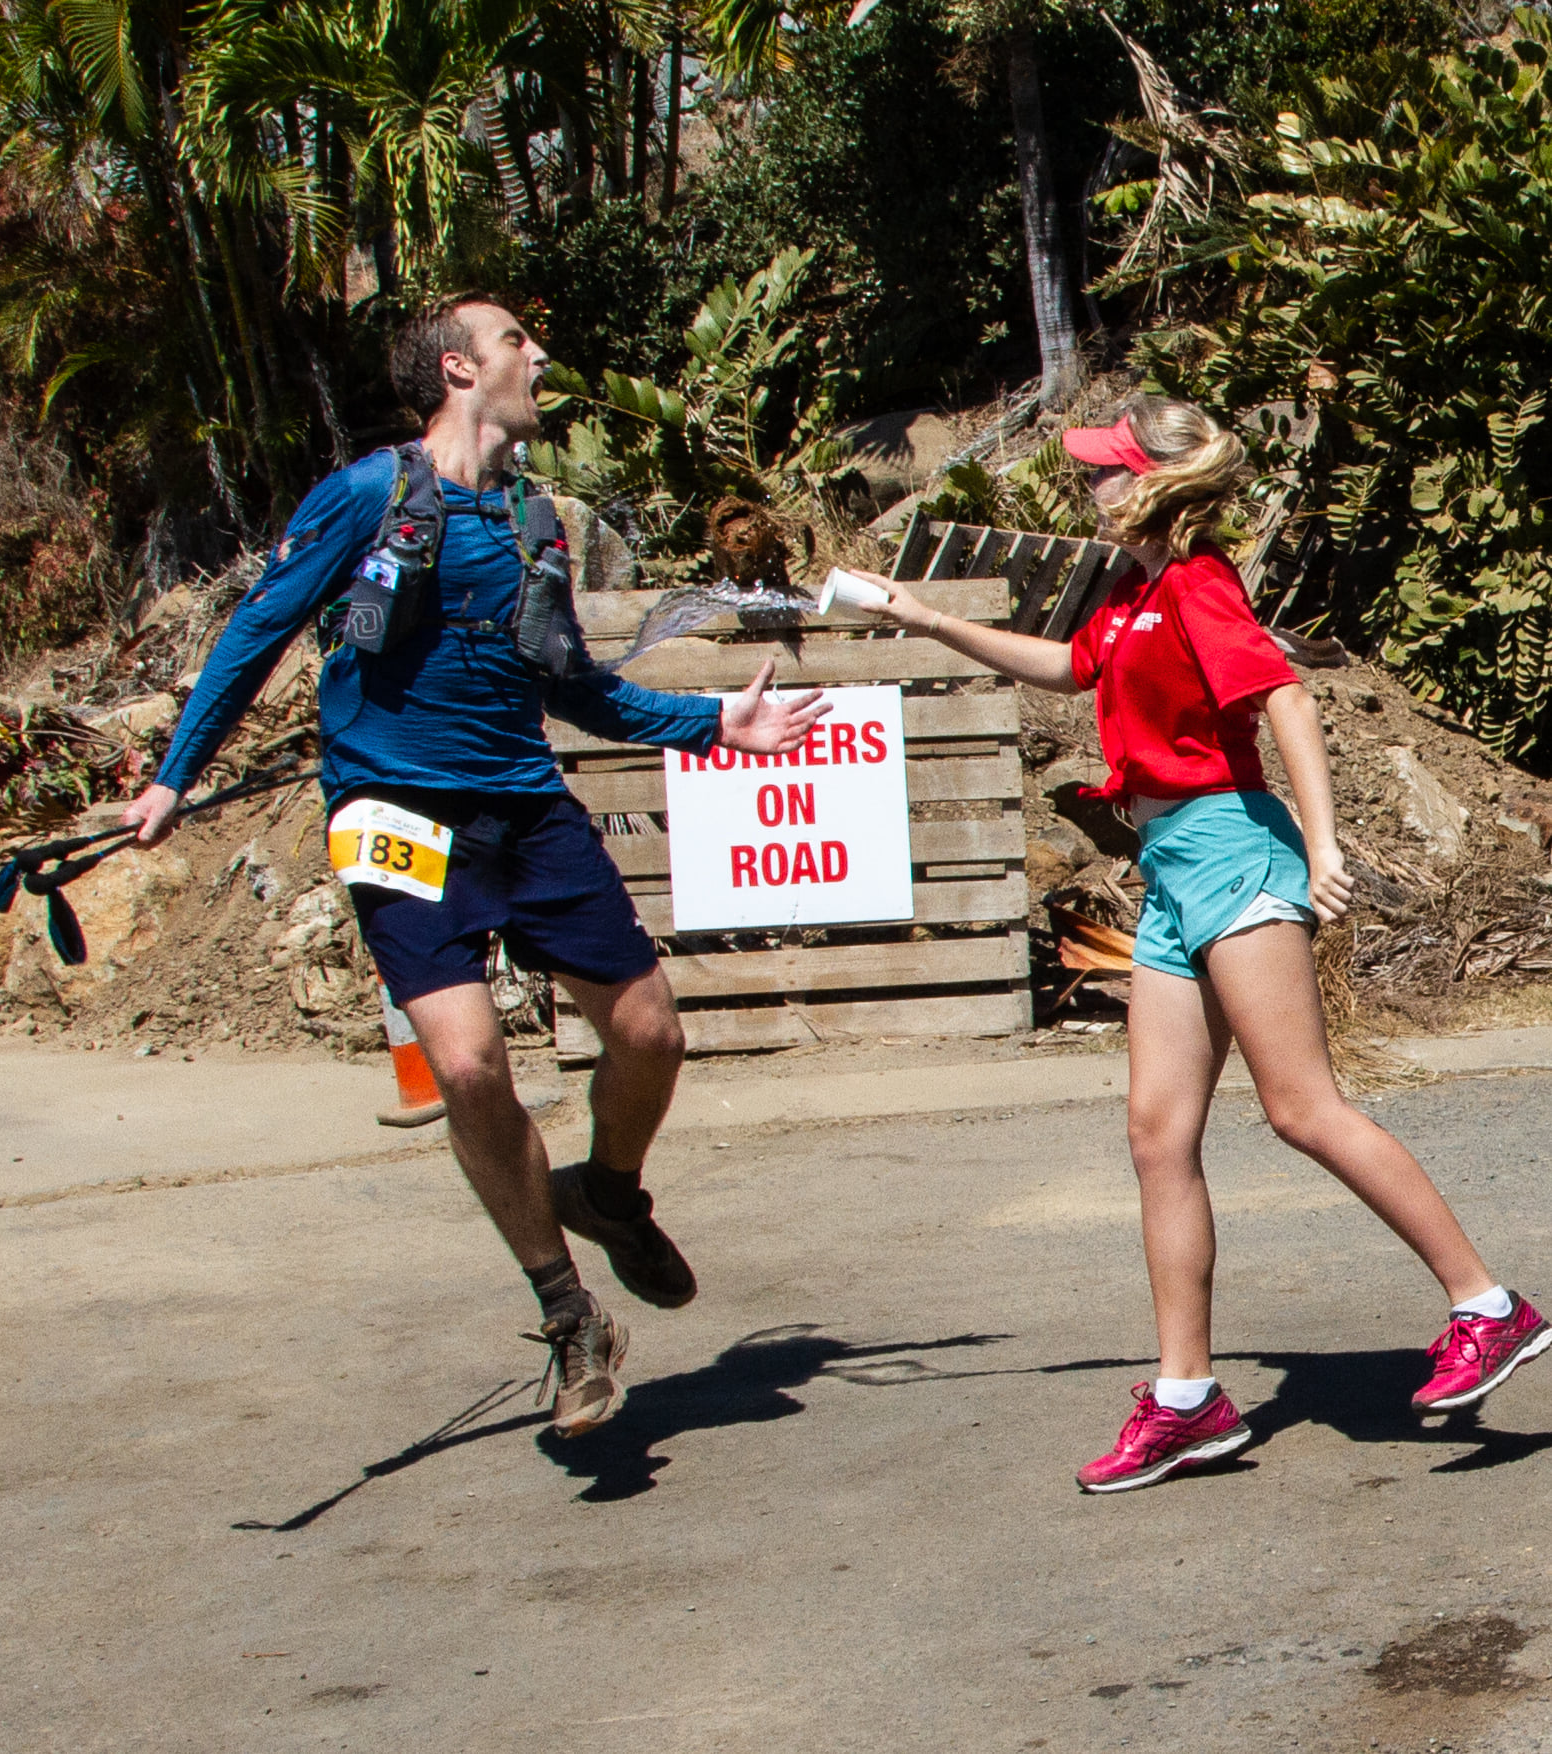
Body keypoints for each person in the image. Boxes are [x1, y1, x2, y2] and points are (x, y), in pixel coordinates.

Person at [122, 293, 828, 1438]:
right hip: (394, 817)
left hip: (522, 809)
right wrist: (174, 774)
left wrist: (711, 725)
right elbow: (257, 629)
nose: (537, 356)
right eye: (514, 343)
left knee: (650, 1030)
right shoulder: (368, 495)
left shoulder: (533, 521)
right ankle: (568, 1318)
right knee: (465, 1064)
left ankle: (603, 1189)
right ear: (458, 369)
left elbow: (576, 689)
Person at [845, 394, 1547, 1494]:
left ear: (1150, 481)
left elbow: (1286, 699)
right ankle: (1186, 1398)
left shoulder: (1198, 583)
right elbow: (1068, 668)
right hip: (1171, 867)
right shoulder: (1132, 593)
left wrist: (1318, 848)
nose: (1084, 487)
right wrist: (925, 619)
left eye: (1099, 471)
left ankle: (1487, 1307)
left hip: (1230, 845)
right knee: (1154, 1132)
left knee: (1299, 1106)